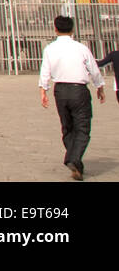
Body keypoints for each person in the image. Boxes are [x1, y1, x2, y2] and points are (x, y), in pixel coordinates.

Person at [38, 15, 104, 180]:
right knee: (82, 128)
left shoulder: (50, 49)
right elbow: (93, 69)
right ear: (72, 29)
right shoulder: (80, 48)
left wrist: (43, 91)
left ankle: (76, 165)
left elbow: (45, 70)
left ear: (55, 29)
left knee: (67, 127)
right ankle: (73, 159)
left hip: (60, 91)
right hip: (78, 90)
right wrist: (100, 87)